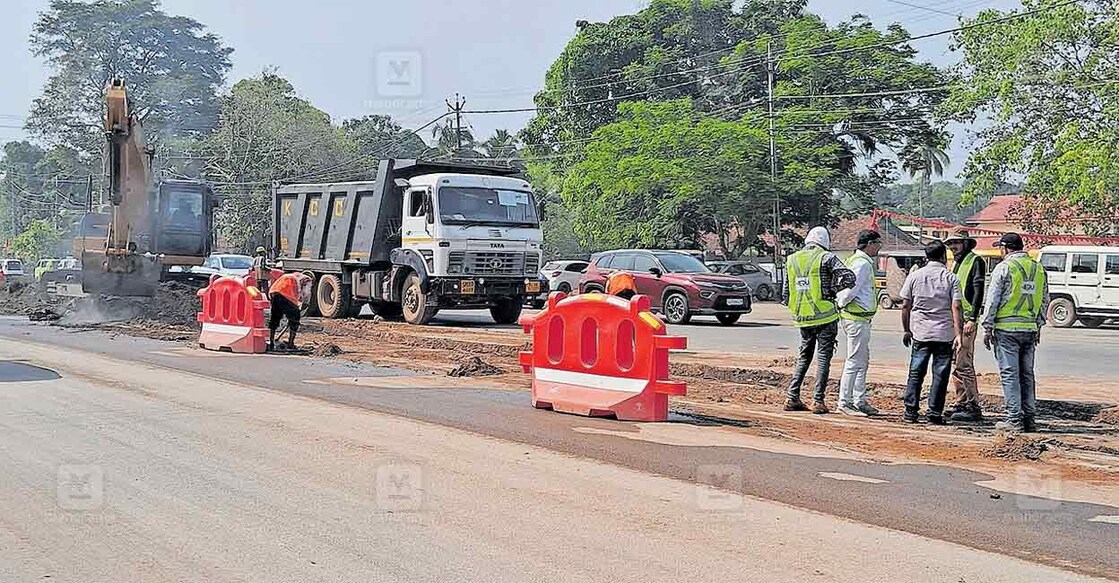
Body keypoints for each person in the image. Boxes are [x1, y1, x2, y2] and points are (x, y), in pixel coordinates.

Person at [784, 226, 856, 414]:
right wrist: (833, 290)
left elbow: (785, 293)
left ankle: (792, 397)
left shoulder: (792, 260)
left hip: (803, 317)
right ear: (825, 242)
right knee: (823, 358)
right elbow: (849, 277)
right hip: (825, 316)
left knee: (804, 356)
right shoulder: (826, 257)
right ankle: (818, 400)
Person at [982, 233, 1049, 433]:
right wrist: (1038, 325)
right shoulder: (1038, 268)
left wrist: (987, 326)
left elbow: (993, 299)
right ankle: (1029, 419)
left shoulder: (1004, 268)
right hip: (1029, 329)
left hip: (1006, 330)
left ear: (1005, 248)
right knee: (1027, 374)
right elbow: (1045, 299)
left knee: (1010, 374)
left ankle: (1014, 419)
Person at [900, 240, 963, 425]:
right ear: (944, 256)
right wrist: (958, 334)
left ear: (926, 256)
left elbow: (905, 305)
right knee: (940, 375)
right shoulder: (951, 278)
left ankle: (910, 412)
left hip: (920, 332)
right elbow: (957, 306)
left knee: (916, 372)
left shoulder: (914, 276)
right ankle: (935, 413)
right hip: (944, 334)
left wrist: (906, 330)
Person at [836, 230, 883, 417]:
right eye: (878, 243)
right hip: (855, 319)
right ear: (870, 243)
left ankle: (859, 400)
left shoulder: (857, 261)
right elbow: (848, 291)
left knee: (862, 360)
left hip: (860, 318)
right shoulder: (862, 264)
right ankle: (844, 402)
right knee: (855, 361)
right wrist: (842, 304)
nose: (879, 247)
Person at [945, 228, 987, 422]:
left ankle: (972, 405)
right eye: (951, 244)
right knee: (956, 363)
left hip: (966, 320)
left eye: (956, 243)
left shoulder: (975, 261)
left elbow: (978, 290)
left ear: (966, 244)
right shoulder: (957, 263)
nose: (953, 247)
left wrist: (972, 318)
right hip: (956, 318)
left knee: (964, 363)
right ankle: (961, 401)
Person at [268, 271, 313, 351]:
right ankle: (290, 343)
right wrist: (303, 305)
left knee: (275, 318)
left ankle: (271, 341)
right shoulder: (307, 279)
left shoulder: (292, 275)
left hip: (273, 292)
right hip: (285, 294)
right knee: (295, 318)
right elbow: (306, 294)